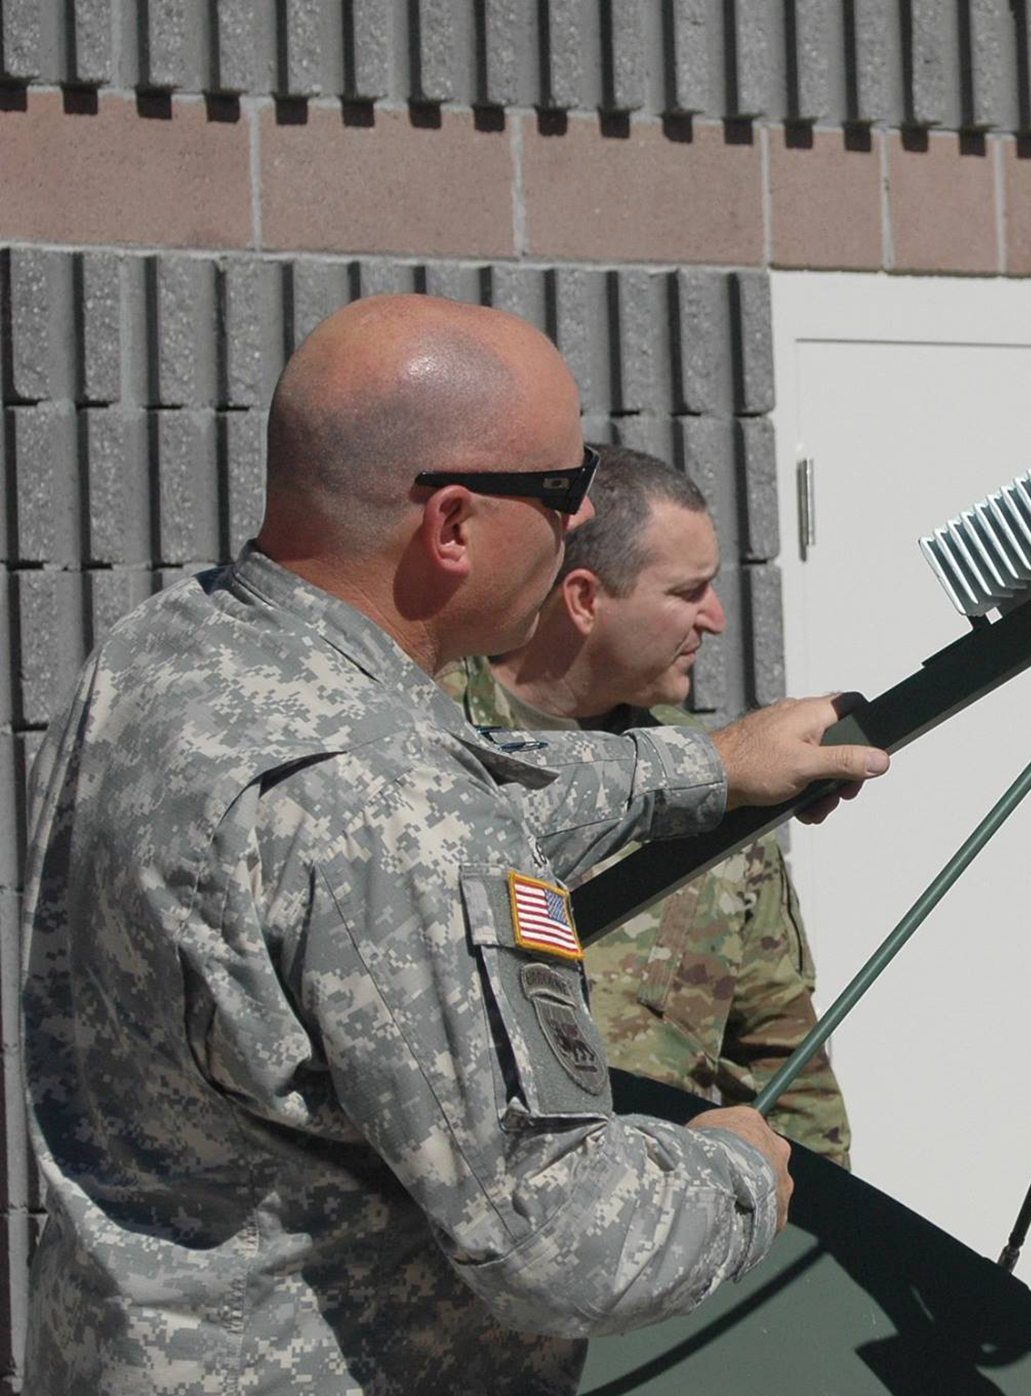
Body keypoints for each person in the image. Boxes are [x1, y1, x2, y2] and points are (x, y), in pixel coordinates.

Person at [18, 294, 890, 1395]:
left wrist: (706, 770)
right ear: (453, 526)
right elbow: (562, 1243)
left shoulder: (169, 652)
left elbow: (401, 819)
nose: (580, 524)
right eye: (565, 492)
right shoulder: (384, 794)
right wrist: (734, 1169)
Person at [443, 444, 852, 1166]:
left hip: (664, 1228)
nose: (717, 619)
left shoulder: (722, 786)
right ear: (584, 599)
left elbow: (782, 1056)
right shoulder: (429, 745)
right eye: (687, 592)